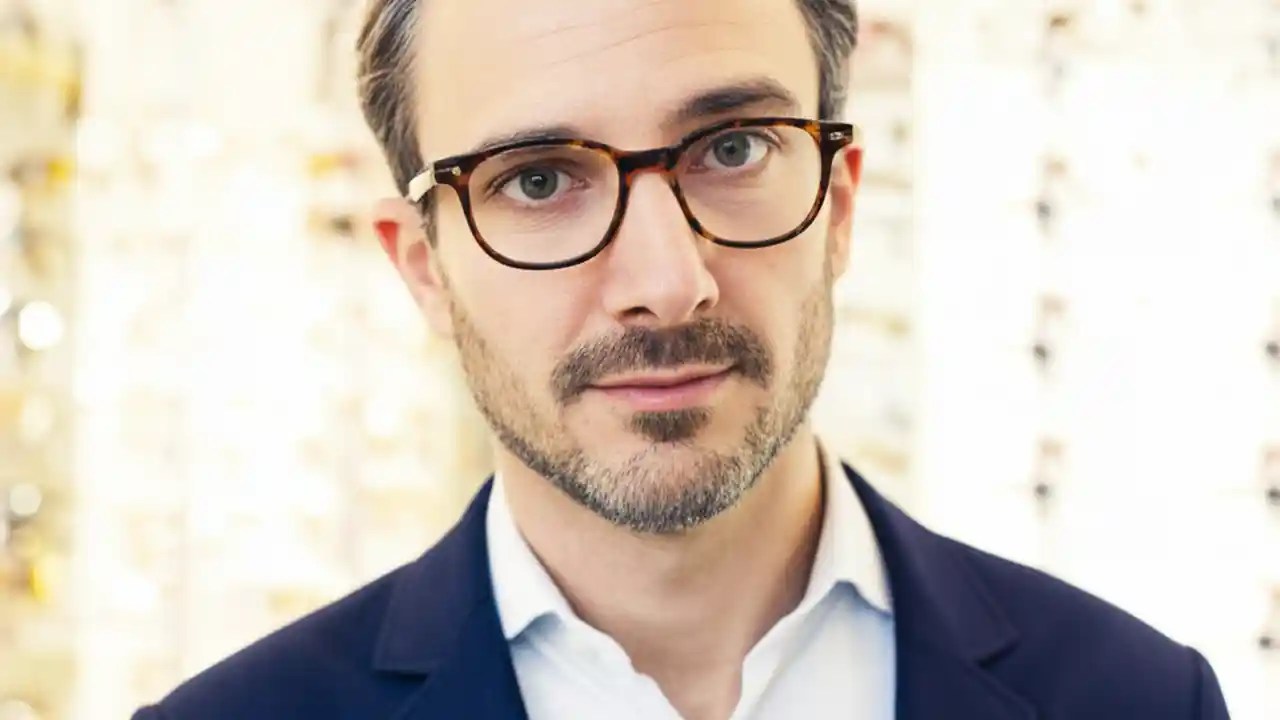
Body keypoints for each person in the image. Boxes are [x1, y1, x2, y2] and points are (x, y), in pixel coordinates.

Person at [133, 0, 1233, 718]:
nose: (666, 278)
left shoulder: (1138, 699)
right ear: (423, 267)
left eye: (732, 150)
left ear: (838, 210)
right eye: (536, 179)